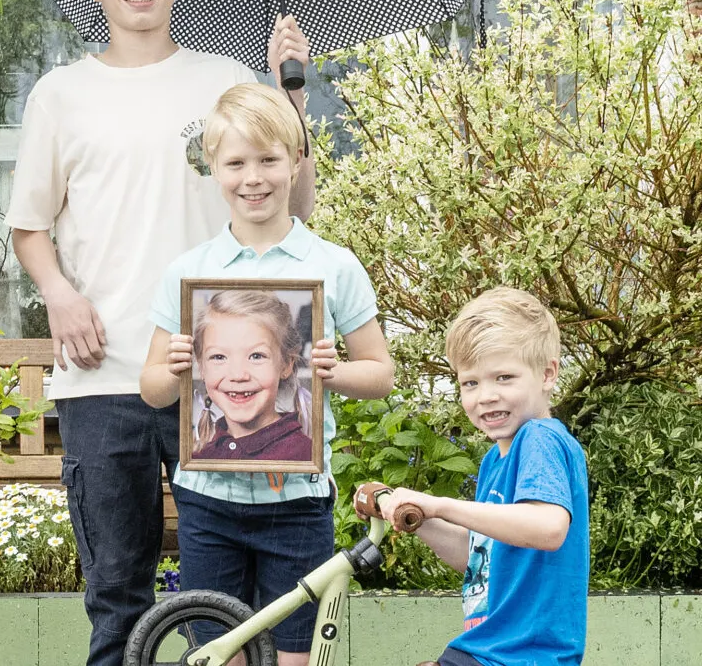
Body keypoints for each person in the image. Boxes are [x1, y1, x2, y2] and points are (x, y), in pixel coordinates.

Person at [6, 0, 313, 666]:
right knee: (117, 590)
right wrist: (60, 292)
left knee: (237, 599)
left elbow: (293, 209)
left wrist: (292, 102)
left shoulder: (226, 80)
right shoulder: (60, 94)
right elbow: (28, 226)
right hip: (104, 372)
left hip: (225, 378)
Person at [138, 83, 395, 666]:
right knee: (218, 654)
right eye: (235, 163)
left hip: (297, 504)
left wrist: (336, 372)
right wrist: (175, 368)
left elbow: (381, 372)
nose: (252, 178)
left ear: (295, 160)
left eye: (268, 160)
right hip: (208, 503)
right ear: (213, 168)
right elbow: (151, 388)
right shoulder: (189, 271)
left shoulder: (333, 265)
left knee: (294, 658)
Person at [380, 288, 589, 666]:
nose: (485, 395)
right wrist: (420, 518)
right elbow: (481, 558)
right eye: (470, 383)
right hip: (489, 649)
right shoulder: (497, 458)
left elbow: (548, 528)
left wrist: (442, 504)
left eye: (504, 377)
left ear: (548, 374)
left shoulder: (540, 439)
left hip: (523, 655)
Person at [184, 288, 315, 464]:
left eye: (256, 356)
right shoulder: (199, 457)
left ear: (286, 364)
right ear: (201, 366)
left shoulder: (305, 454)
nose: (238, 375)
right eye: (219, 357)